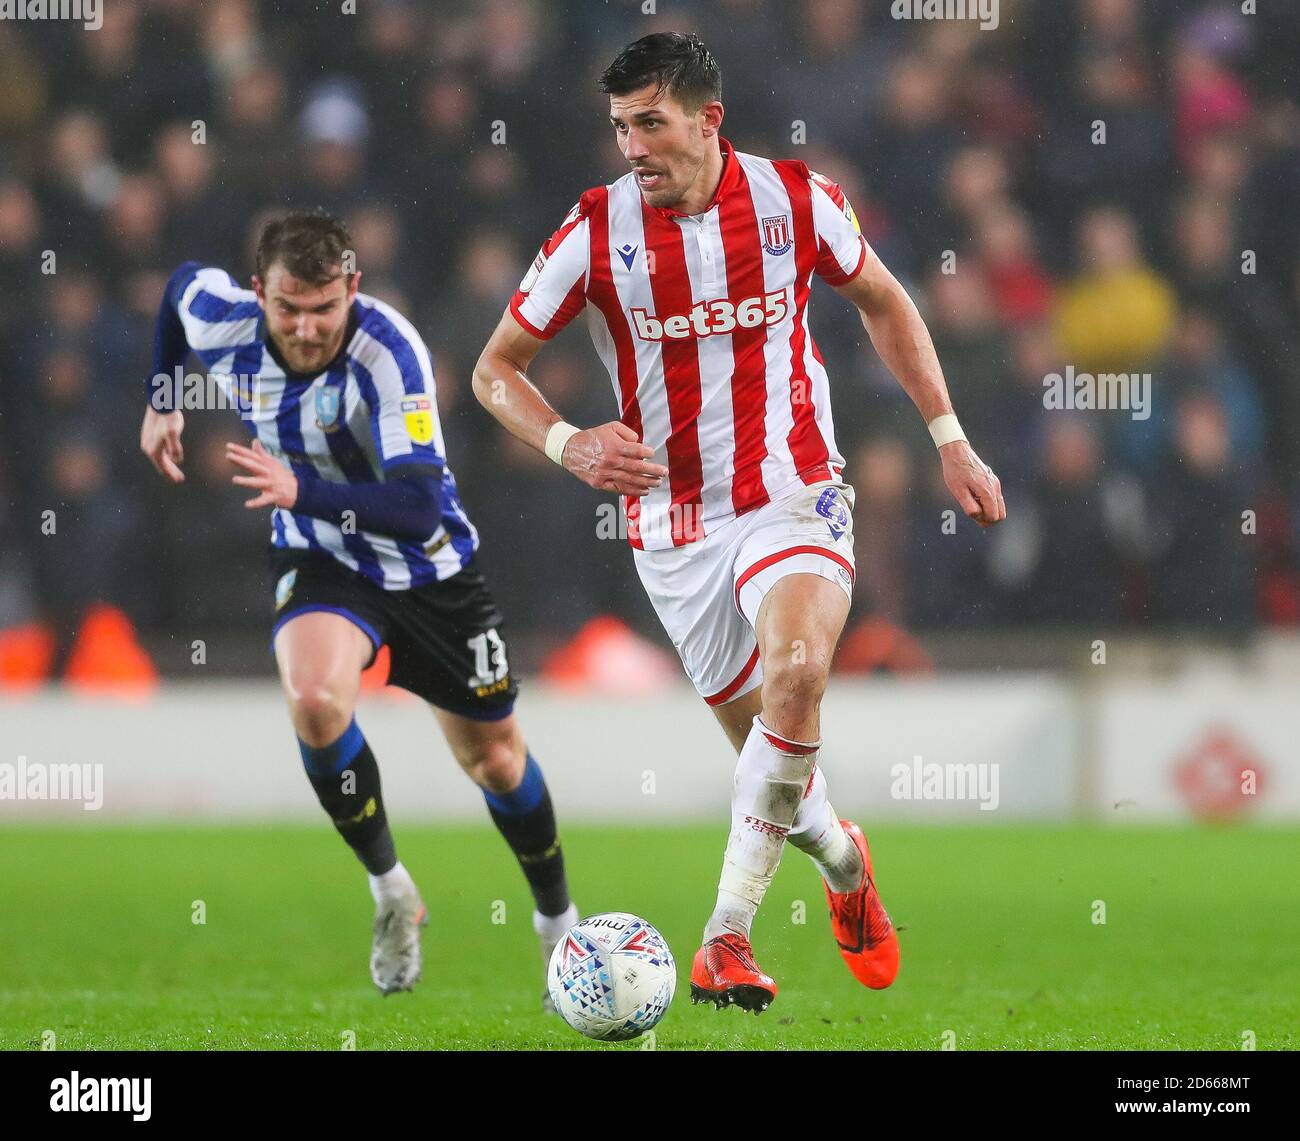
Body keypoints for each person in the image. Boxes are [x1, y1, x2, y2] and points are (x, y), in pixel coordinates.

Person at [473, 33, 1005, 1013]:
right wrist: (566, 444)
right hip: (671, 528)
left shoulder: (794, 199)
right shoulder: (594, 231)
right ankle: (846, 867)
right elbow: (492, 368)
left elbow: (884, 300)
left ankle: (724, 938)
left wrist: (950, 439)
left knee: (798, 674)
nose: (632, 146)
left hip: (791, 488)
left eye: (651, 123)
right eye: (620, 127)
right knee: (782, 776)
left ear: (707, 120)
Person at [139, 209, 577, 1004]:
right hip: (322, 558)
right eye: (287, 309)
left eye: (323, 308)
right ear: (257, 295)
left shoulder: (391, 353)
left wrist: (299, 488)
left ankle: (557, 925)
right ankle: (391, 892)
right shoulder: (224, 322)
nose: (306, 329)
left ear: (353, 289)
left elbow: (418, 508)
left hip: (429, 568)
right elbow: (175, 294)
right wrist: (163, 399)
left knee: (495, 759)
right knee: (313, 700)